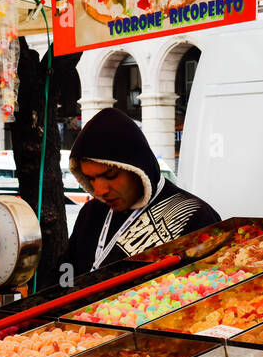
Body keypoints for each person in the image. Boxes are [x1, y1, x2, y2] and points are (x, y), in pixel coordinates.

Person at [59, 107, 220, 278]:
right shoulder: (91, 213)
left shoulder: (195, 216)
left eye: (111, 175)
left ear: (137, 169)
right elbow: (66, 271)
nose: (99, 190)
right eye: (90, 179)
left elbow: (215, 288)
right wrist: (62, 295)